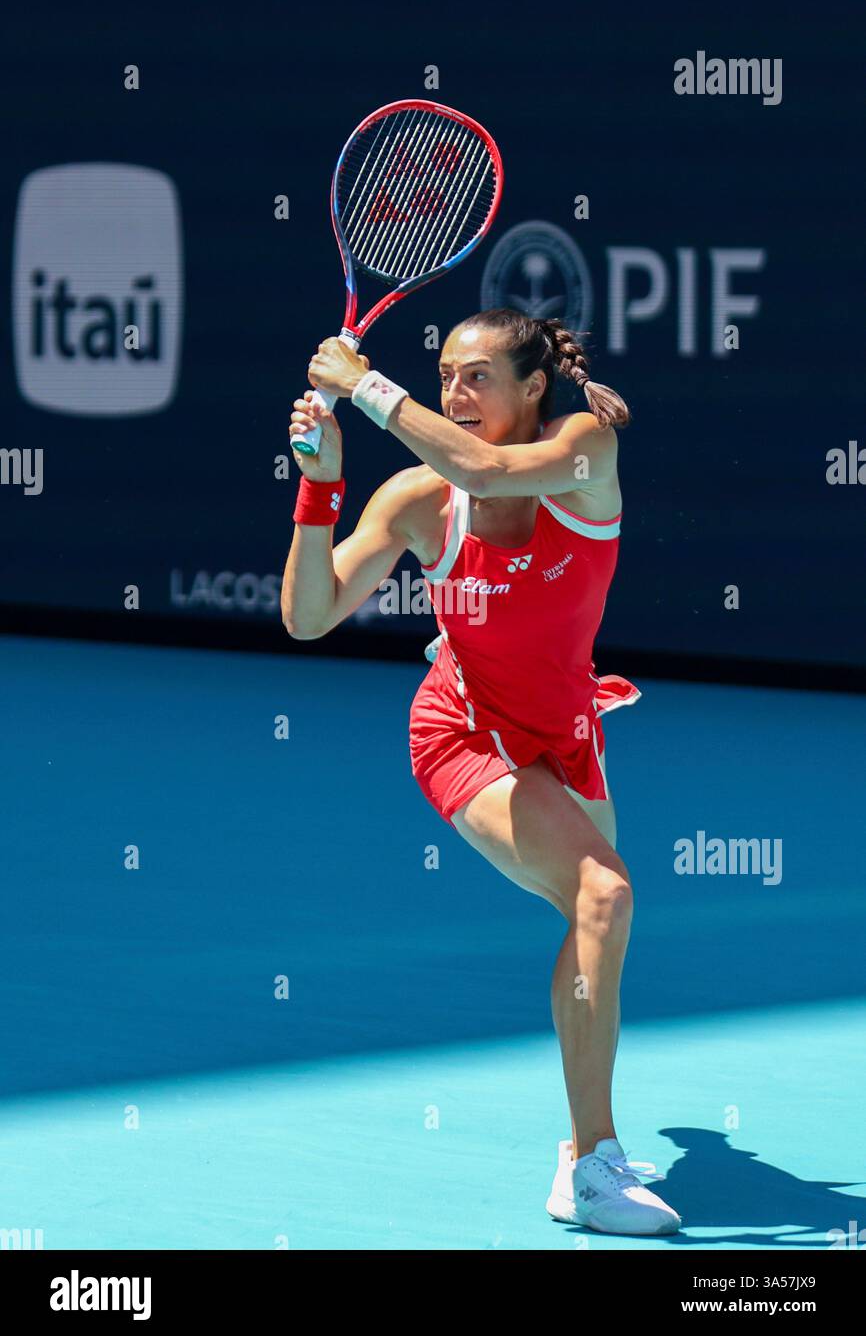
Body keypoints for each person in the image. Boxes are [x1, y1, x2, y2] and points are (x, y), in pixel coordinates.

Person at [281, 307, 681, 1236]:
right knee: (603, 895)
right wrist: (321, 489)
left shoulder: (584, 450)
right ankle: (594, 1162)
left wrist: (366, 386)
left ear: (533, 388)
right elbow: (309, 614)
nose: (455, 395)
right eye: (446, 376)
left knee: (587, 915)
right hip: (462, 732)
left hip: (565, 730)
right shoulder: (421, 499)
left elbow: (489, 469)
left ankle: (580, 1150)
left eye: (477, 377)